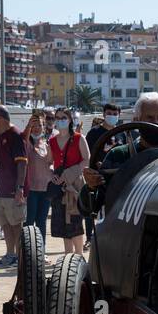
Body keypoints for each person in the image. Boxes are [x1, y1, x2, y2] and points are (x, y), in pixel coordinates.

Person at [87, 93, 158, 189]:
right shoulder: (118, 155)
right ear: (136, 120)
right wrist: (91, 185)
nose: (156, 122)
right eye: (149, 118)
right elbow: (93, 203)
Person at [0, 105, 27, 268]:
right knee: (5, 224)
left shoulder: (15, 135)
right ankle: (10, 254)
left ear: (3, 119)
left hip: (13, 189)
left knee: (16, 225)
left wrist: (19, 188)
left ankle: (20, 256)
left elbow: (22, 164)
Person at [47, 107, 90, 253]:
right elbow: (49, 162)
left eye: (63, 117)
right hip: (59, 187)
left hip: (75, 186)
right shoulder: (52, 141)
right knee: (63, 226)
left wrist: (69, 173)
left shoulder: (79, 138)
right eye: (57, 118)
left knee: (75, 224)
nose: (60, 121)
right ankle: (68, 257)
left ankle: (78, 258)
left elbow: (86, 160)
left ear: (70, 119)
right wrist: (52, 173)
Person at [24, 110, 54, 239]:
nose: (37, 129)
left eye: (39, 126)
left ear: (44, 127)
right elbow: (24, 137)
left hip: (45, 189)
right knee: (29, 221)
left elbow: (51, 163)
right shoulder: (27, 143)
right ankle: (27, 251)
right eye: (34, 126)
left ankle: (41, 252)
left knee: (41, 222)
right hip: (31, 189)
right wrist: (28, 126)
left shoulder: (47, 144)